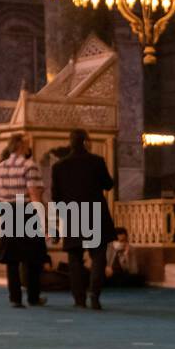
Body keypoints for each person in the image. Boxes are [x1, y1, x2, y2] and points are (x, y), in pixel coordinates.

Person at [51, 128, 115, 310]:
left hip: (72, 214)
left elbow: (56, 197)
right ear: (87, 141)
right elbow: (108, 185)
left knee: (75, 259)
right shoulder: (96, 161)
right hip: (95, 212)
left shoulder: (59, 166)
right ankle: (94, 296)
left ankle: (79, 299)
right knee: (98, 257)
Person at [0, 132, 47, 308]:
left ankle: (15, 298)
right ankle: (33, 296)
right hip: (26, 211)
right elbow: (34, 194)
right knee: (32, 258)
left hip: (7, 212)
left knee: (12, 259)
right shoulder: (29, 166)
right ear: (21, 146)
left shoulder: (0, 168)